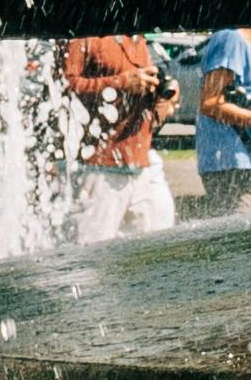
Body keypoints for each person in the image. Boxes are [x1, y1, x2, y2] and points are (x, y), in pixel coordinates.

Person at [60, 32, 173, 241]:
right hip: (100, 167)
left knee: (158, 247)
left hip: (143, 163)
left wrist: (163, 101)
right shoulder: (85, 35)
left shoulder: (140, 39)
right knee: (88, 258)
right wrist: (121, 82)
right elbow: (63, 87)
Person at [178, 26, 251, 214]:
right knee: (245, 237)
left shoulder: (250, 42)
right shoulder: (230, 37)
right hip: (230, 164)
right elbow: (210, 102)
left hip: (250, 163)